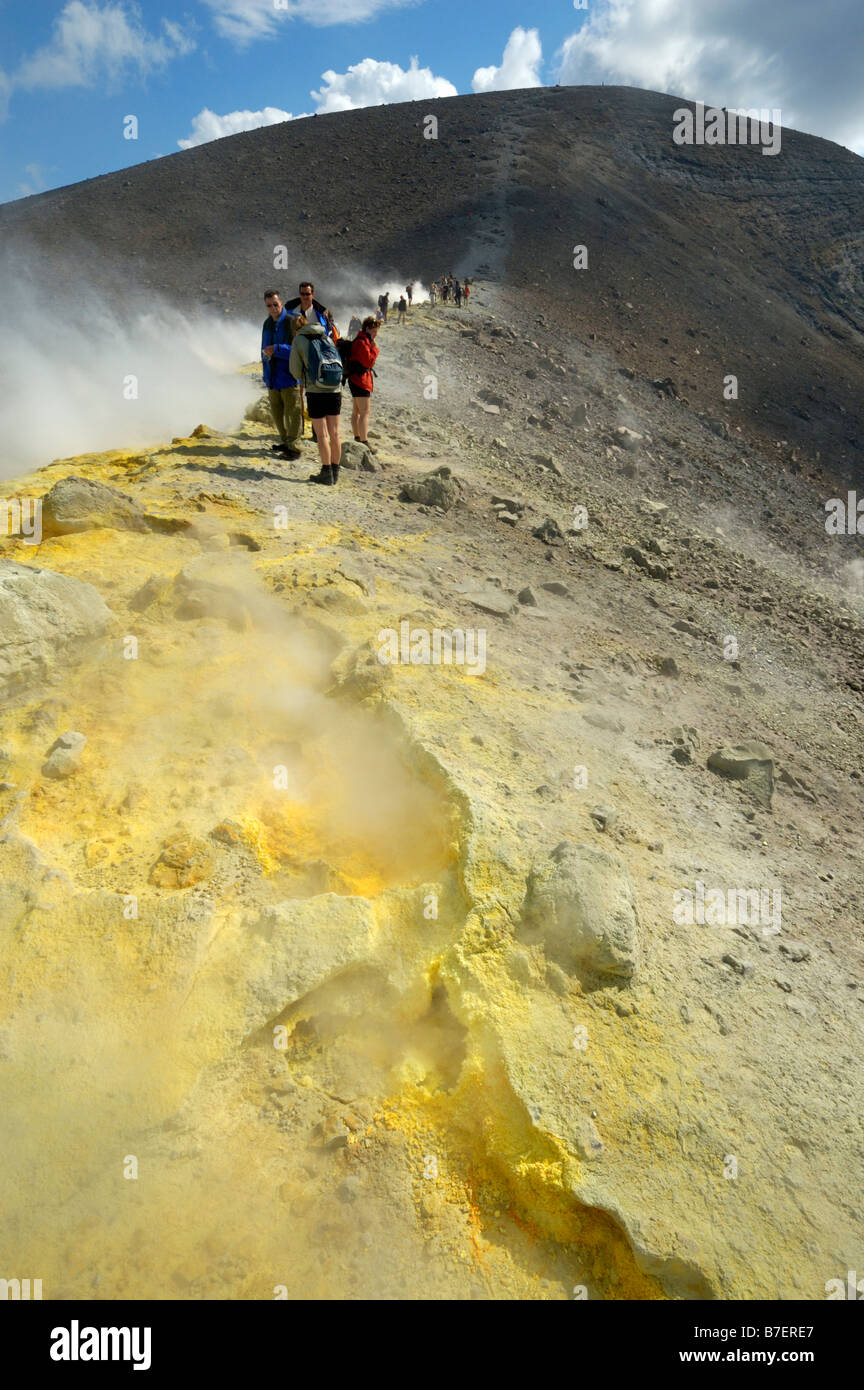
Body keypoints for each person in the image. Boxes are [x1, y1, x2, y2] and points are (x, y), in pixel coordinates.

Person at [289, 314, 344, 485]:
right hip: (335, 390)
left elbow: (295, 371)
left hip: (315, 391)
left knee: (322, 435)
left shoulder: (298, 340)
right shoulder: (325, 336)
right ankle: (336, 471)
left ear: (295, 329)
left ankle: (326, 473)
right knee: (335, 434)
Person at [260, 290, 302, 459]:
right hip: (273, 377)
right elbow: (263, 350)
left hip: (289, 376)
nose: (273, 308)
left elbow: (299, 351)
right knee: (278, 414)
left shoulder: (292, 321)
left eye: (275, 304)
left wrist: (277, 349)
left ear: (281, 303)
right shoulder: (267, 323)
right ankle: (285, 442)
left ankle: (294, 448)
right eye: (269, 305)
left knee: (293, 413)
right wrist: (266, 374)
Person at [347, 316, 379, 450]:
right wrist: (375, 349)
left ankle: (357, 437)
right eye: (374, 331)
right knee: (365, 411)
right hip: (361, 380)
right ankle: (364, 441)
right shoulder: (363, 342)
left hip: (355, 378)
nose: (376, 334)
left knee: (357, 411)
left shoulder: (360, 339)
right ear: (367, 328)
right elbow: (368, 361)